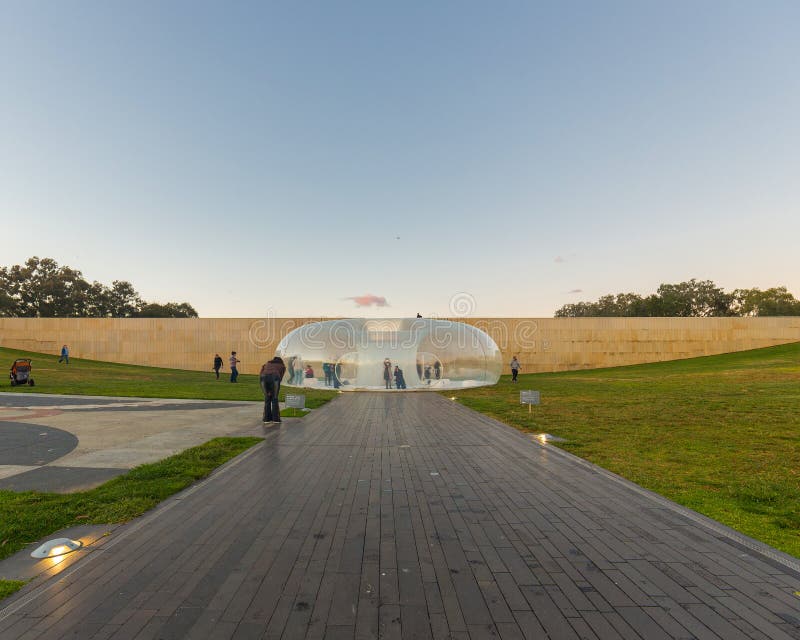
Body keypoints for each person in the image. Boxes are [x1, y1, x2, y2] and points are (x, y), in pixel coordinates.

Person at [260, 356, 286, 423]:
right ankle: (276, 419)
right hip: (275, 378)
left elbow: (261, 372)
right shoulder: (282, 366)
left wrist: (268, 391)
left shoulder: (267, 364)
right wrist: (273, 390)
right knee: (274, 398)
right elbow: (280, 377)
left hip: (263, 378)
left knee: (267, 398)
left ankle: (266, 419)